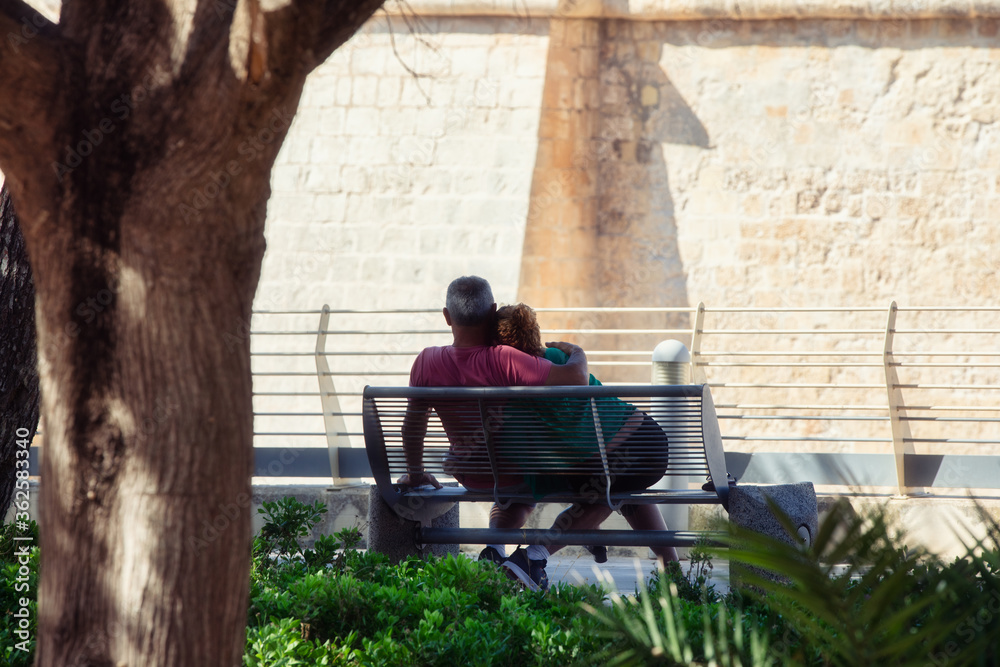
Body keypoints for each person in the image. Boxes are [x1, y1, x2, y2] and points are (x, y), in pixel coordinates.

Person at [399, 276, 609, 591]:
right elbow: (576, 378)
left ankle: (494, 549)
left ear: (447, 316)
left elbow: (413, 424)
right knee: (606, 478)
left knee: (514, 499)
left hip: (471, 474)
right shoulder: (505, 358)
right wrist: (575, 349)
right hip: (517, 473)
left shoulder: (426, 361)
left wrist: (416, 475)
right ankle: (536, 553)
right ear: (493, 311)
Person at [495, 303, 679, 565]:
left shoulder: (511, 383)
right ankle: (538, 553)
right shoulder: (561, 360)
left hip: (613, 459)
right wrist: (575, 350)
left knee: (611, 486)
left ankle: (546, 549)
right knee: (619, 487)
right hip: (644, 443)